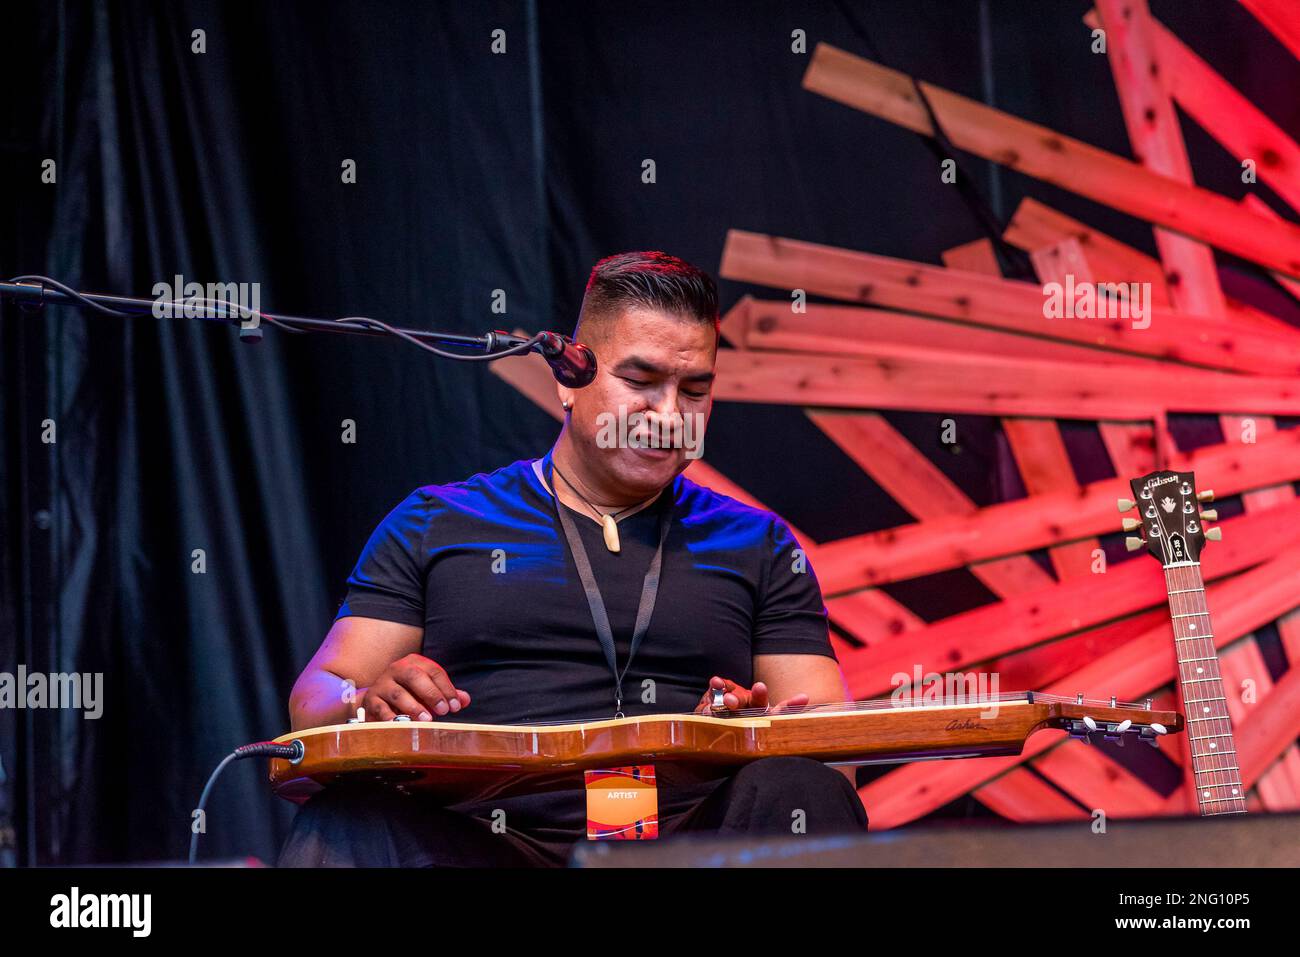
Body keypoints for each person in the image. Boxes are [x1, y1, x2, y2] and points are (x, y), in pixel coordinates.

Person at [278, 251, 868, 866]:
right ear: (569, 377)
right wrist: (369, 697)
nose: (669, 416)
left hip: (689, 847)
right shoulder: (438, 520)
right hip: (483, 846)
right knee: (348, 823)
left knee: (802, 786)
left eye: (695, 390)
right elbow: (315, 698)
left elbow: (830, 752)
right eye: (641, 382)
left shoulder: (758, 544)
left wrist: (743, 738)